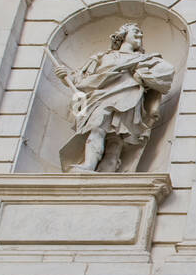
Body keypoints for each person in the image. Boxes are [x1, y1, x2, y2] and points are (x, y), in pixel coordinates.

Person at [52, 22, 175, 173]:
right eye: (135, 31)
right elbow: (80, 80)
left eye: (141, 33)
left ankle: (107, 173)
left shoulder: (146, 59)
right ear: (123, 35)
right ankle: (89, 165)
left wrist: (142, 76)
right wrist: (64, 77)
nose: (140, 35)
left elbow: (166, 73)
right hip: (101, 97)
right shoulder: (102, 57)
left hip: (129, 98)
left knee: (116, 140)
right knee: (97, 127)